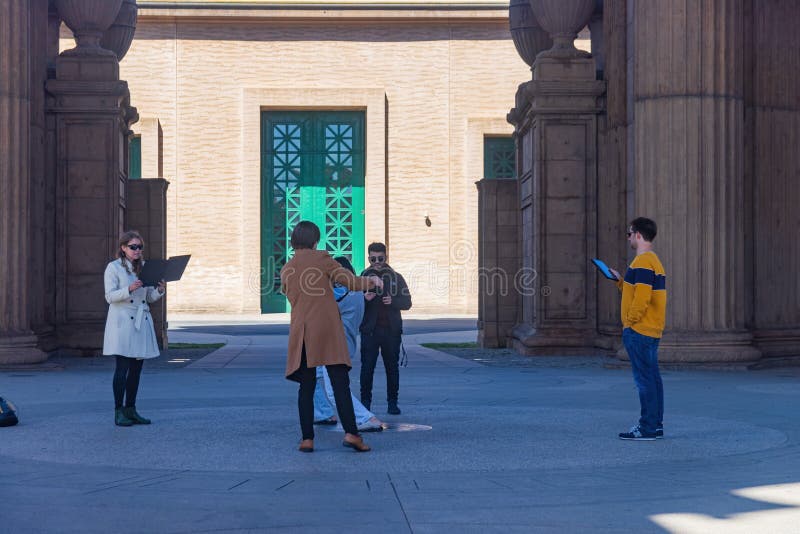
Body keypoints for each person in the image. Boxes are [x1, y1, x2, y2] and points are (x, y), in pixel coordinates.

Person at [280, 221, 383, 453]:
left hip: (302, 332)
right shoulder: (323, 259)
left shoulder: (287, 268)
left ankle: (307, 439)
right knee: (340, 384)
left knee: (306, 387)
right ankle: (352, 434)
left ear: (294, 241)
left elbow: (292, 298)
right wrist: (372, 281)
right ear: (315, 240)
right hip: (326, 330)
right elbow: (349, 281)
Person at [608, 217, 667, 441]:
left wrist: (630, 323)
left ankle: (647, 428)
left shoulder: (642, 262)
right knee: (652, 379)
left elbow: (642, 298)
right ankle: (655, 425)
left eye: (629, 233)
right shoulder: (653, 261)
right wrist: (620, 281)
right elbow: (638, 291)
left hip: (640, 330)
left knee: (644, 381)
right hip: (650, 329)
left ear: (639, 235)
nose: (629, 237)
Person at [313, 256, 384, 433]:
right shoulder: (356, 294)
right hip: (341, 344)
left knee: (334, 390)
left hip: (335, 347)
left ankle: (367, 418)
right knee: (309, 374)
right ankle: (323, 413)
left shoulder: (341, 295)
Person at [103, 230, 165, 427]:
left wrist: (159, 290)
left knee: (137, 370)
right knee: (122, 368)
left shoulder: (144, 267)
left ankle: (131, 409)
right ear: (123, 248)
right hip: (122, 323)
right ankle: (118, 410)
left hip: (140, 321)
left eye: (139, 247)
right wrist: (128, 289)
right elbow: (110, 297)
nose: (137, 250)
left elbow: (148, 297)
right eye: (133, 247)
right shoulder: (113, 268)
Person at [359, 242, 412, 415]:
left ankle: (392, 403)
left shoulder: (396, 277)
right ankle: (365, 403)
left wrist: (393, 301)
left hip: (391, 331)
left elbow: (407, 303)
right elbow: (353, 302)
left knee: (392, 368)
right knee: (367, 368)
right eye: (373, 259)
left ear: (386, 257)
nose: (377, 262)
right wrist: (364, 299)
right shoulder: (363, 277)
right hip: (370, 331)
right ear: (368, 258)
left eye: (380, 258)